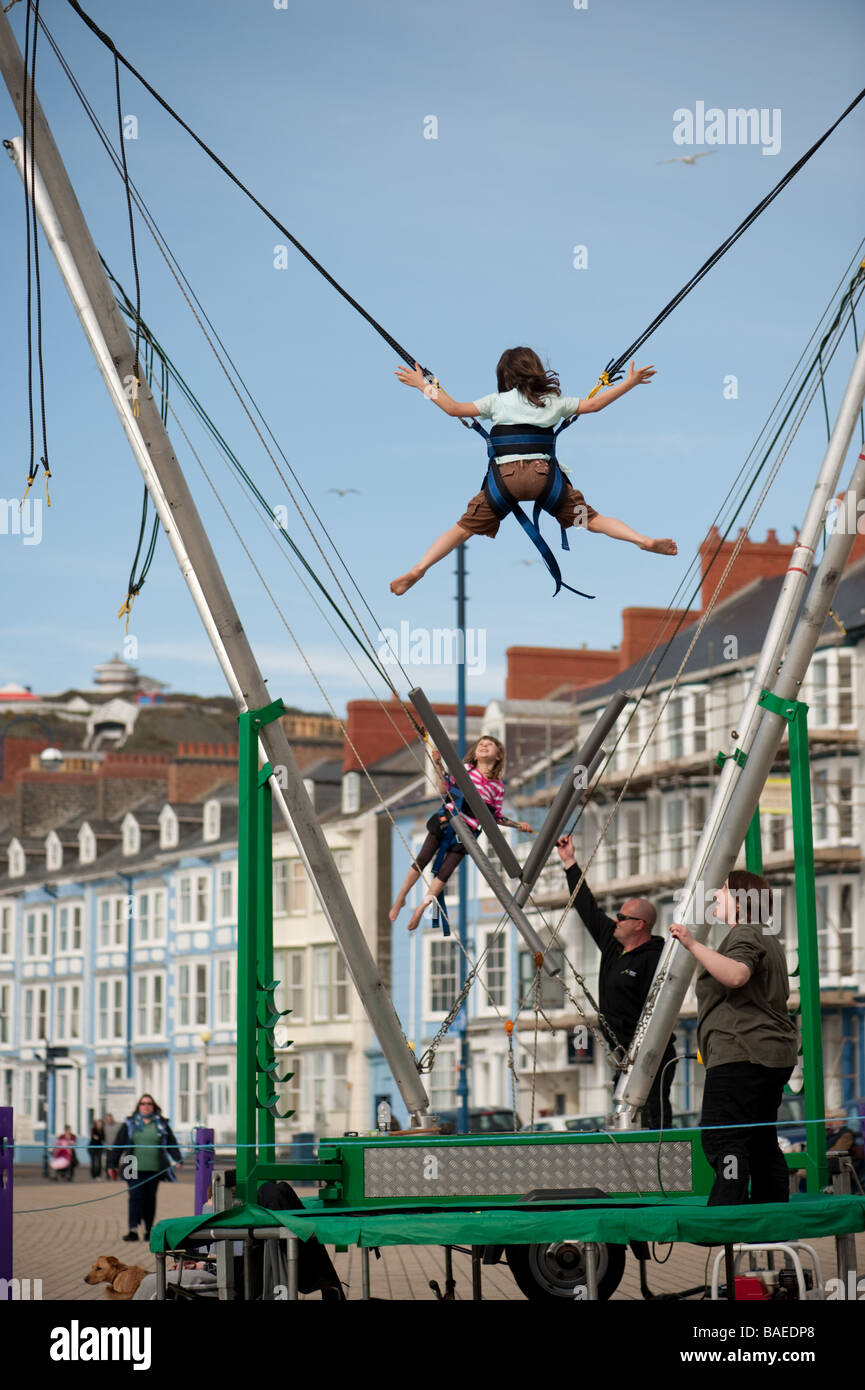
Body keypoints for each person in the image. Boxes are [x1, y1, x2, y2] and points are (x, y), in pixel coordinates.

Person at [389, 347, 676, 595]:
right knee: (591, 520)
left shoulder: (496, 402)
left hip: (504, 484)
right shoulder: (553, 402)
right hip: (545, 482)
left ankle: (419, 568)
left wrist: (422, 384)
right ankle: (642, 540)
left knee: (462, 530)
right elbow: (596, 404)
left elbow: (452, 408)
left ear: (504, 377)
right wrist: (630, 383)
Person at [670, 869, 799, 1206]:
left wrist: (692, 944)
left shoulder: (745, 934)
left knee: (722, 1136)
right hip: (769, 1055)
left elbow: (738, 975)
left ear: (741, 901)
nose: (715, 895)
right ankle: (772, 1214)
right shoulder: (766, 936)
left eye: (723, 890)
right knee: (758, 1138)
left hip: (743, 1053)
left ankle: (727, 1209)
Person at [555, 834, 676, 1128]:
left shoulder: (656, 956)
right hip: (622, 1052)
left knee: (653, 1114)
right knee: (625, 1111)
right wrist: (570, 862)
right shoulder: (613, 944)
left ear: (640, 925)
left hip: (651, 1052)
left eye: (622, 917)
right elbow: (587, 909)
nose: (616, 920)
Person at [389, 735, 532, 932]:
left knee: (444, 872)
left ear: (498, 756)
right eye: (480, 744)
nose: (483, 746)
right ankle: (401, 897)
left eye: (489, 745)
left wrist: (517, 825)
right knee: (423, 857)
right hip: (447, 819)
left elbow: (495, 817)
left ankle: (422, 907)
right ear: (475, 752)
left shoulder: (497, 787)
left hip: (466, 832)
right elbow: (443, 788)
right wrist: (438, 764)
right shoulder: (466, 770)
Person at [108, 1094, 183, 1241]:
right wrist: (112, 1164)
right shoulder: (130, 1124)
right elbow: (118, 1144)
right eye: (143, 1103)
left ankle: (149, 1230)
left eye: (149, 1103)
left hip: (154, 1168)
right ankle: (133, 1230)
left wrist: (177, 1158)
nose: (146, 1106)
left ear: (153, 1106)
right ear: (139, 1106)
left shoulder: (161, 1124)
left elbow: (171, 1142)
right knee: (135, 1197)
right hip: (132, 1166)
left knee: (150, 1199)